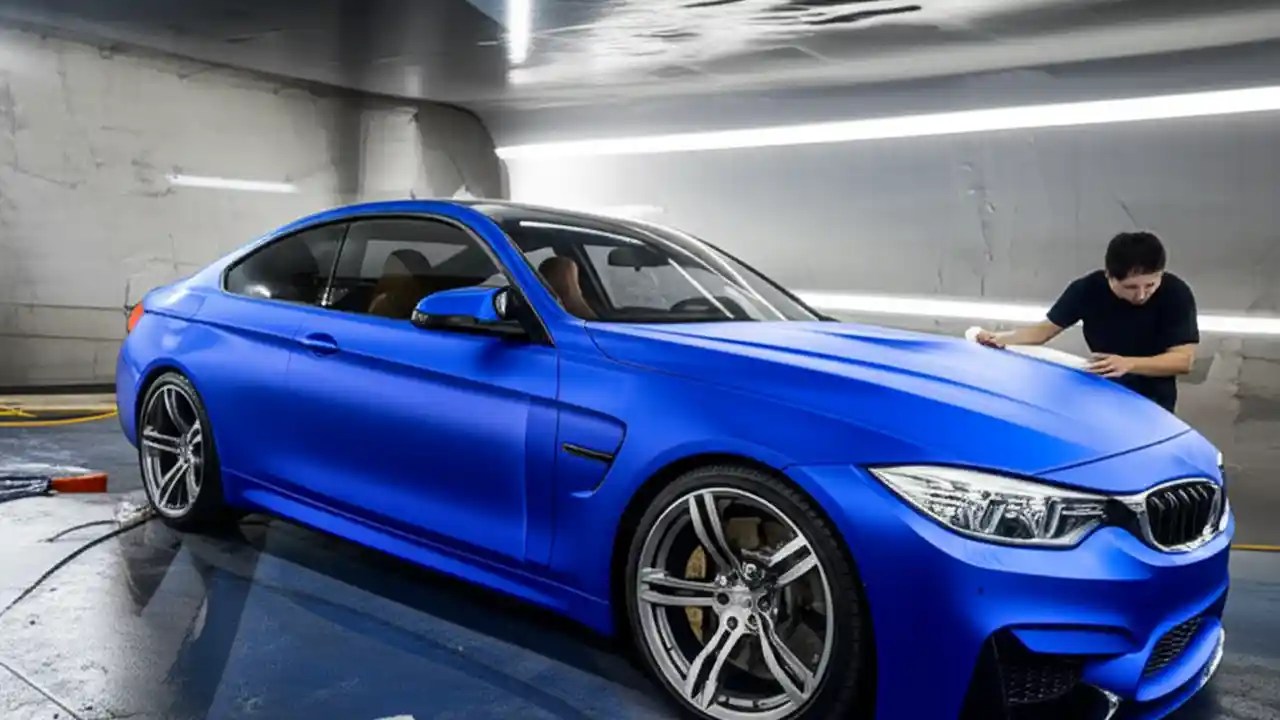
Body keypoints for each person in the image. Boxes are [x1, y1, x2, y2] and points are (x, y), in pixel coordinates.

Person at [973, 231, 1199, 413]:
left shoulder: (1175, 294)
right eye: (1130, 287)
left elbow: (1182, 360)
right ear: (1109, 276)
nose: (1141, 295)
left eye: (1150, 285)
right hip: (1102, 387)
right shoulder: (1087, 290)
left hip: (1154, 399)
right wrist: (1001, 339)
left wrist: (1128, 364)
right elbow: (1043, 331)